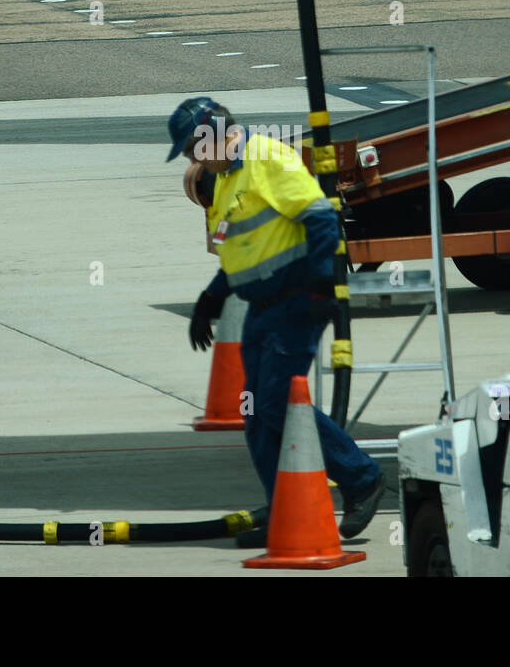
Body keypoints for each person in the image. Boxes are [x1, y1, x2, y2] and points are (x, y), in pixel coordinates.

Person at [165, 96, 385, 548]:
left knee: (273, 404)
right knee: (254, 412)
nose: (191, 161)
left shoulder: (267, 158)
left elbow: (322, 219)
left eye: (191, 150)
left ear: (212, 135)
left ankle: (362, 477)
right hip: (262, 309)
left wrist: (323, 285)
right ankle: (283, 506)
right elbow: (239, 253)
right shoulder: (226, 180)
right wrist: (210, 299)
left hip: (296, 302)